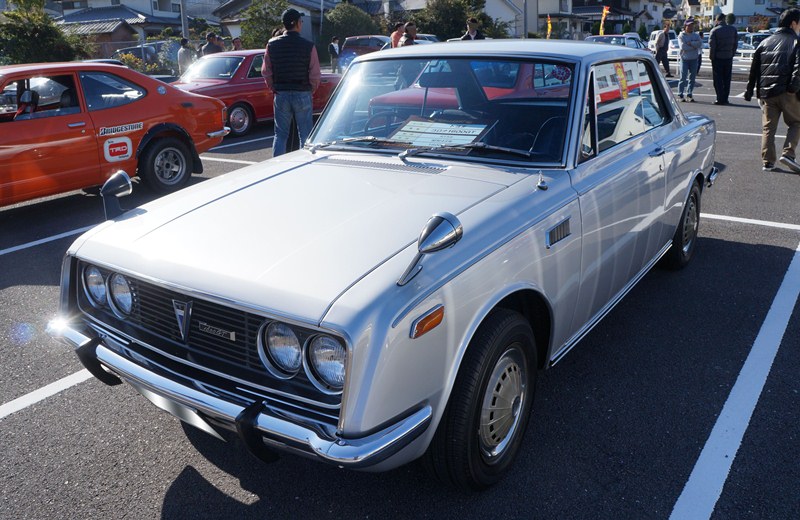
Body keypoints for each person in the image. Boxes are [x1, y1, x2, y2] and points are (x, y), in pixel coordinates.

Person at [744, 8, 800, 172]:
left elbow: (754, 69)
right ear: (793, 23)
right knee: (797, 122)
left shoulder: (765, 42)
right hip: (788, 91)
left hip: (767, 92)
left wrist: (750, 91)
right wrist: (793, 87)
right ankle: (788, 154)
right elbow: (798, 68)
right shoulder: (796, 42)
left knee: (769, 127)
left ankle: (768, 162)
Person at [262, 8, 321, 157]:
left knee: (280, 134)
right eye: (301, 21)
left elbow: (266, 71)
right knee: (305, 134)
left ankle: (277, 164)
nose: (302, 24)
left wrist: (273, 87)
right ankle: (304, 164)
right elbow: (315, 74)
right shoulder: (308, 45)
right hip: (302, 92)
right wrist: (310, 89)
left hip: (281, 92)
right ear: (297, 23)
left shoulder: (271, 44)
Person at [709, 13, 738, 104]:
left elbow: (712, 46)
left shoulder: (714, 30)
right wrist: (732, 53)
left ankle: (719, 98)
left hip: (718, 57)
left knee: (718, 79)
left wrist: (712, 57)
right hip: (728, 56)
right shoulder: (733, 29)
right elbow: (735, 44)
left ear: (717, 20)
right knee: (727, 79)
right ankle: (725, 98)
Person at [677, 18, 702, 102]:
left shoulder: (696, 35)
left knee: (692, 78)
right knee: (683, 77)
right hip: (684, 59)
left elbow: (700, 44)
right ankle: (680, 94)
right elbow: (683, 47)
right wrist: (694, 46)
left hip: (694, 59)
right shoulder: (681, 35)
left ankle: (689, 94)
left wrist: (691, 43)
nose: (691, 27)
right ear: (685, 26)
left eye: (692, 25)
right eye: (689, 25)